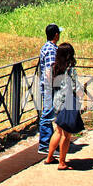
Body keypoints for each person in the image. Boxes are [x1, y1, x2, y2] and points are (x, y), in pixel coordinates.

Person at [45, 42, 86, 170]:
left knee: (58, 130)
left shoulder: (53, 68)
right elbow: (75, 87)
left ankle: (49, 157)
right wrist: (81, 95)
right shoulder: (70, 70)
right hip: (67, 102)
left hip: (56, 101)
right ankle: (62, 162)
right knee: (66, 135)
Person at [37, 24, 60, 154]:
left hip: (48, 86)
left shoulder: (46, 47)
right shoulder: (51, 49)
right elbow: (49, 70)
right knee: (47, 114)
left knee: (49, 114)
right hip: (49, 87)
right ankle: (45, 145)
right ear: (56, 35)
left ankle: (50, 143)